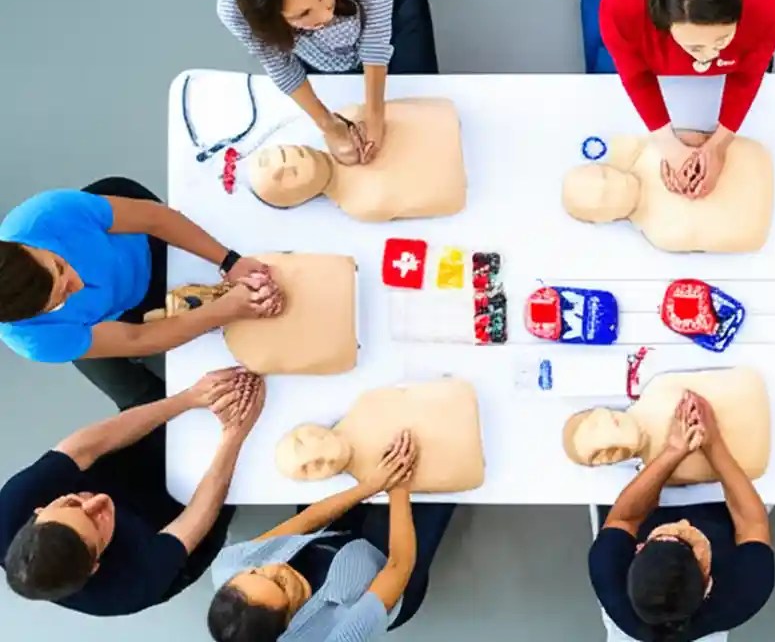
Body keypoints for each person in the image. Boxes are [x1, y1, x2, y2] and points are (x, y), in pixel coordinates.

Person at [0, 177, 281, 410]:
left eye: (61, 268)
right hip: (109, 321)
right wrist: (227, 309)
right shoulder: (34, 340)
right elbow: (139, 339)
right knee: (149, 406)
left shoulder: (47, 214)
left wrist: (230, 261)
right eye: (60, 301)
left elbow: (155, 219)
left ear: (30, 246)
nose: (80, 285)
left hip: (145, 242)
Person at [0, 367, 262, 616]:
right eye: (96, 521)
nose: (98, 502)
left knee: (163, 430)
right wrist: (235, 435)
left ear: (39, 510)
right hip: (168, 526)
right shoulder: (130, 585)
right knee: (237, 464)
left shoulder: (10, 508)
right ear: (95, 566)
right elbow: (193, 520)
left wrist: (189, 397)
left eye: (71, 503)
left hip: (122, 470)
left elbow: (87, 447)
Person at [567, 0, 775, 199]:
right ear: (665, 24)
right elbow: (636, 79)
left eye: (722, 40)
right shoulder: (622, 11)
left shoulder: (765, 8)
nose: (710, 55)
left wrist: (717, 146)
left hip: (735, 55)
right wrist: (669, 146)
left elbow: (748, 78)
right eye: (696, 47)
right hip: (638, 9)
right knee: (600, 65)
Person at [218, 0, 440, 165]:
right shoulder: (235, 13)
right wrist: (329, 126)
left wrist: (375, 116)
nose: (326, 14)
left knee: (417, 84)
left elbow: (375, 43)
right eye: (303, 13)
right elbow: (280, 65)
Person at [207, 430, 455, 641]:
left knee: (348, 461)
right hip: (385, 574)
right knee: (430, 472)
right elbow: (399, 565)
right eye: (280, 583)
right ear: (290, 619)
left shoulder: (229, 566)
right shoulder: (342, 634)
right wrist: (398, 485)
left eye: (256, 571)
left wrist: (370, 486)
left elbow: (305, 521)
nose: (275, 567)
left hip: (325, 542)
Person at [590, 391, 775, 641]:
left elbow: (624, 519)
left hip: (645, 513)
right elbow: (751, 523)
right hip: (719, 510)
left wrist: (672, 451)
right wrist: (714, 445)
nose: (682, 523)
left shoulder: (609, 575)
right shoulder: (742, 595)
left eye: (666, 536)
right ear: (708, 579)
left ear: (638, 549)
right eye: (687, 537)